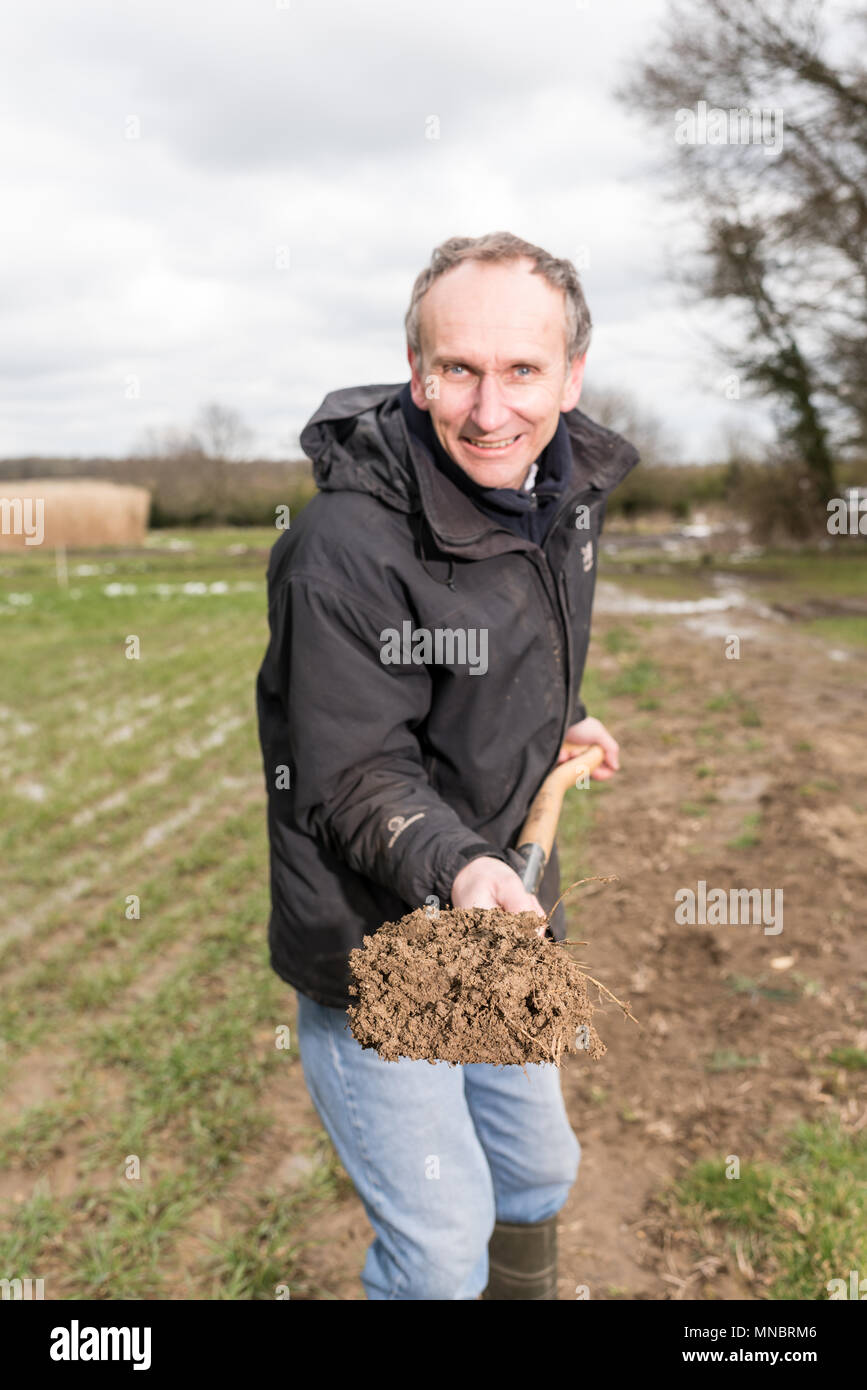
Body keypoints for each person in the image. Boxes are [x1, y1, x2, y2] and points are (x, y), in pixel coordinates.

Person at [255, 231, 639, 1300]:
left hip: (494, 927)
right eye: (459, 369)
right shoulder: (343, 546)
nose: (489, 409)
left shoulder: (564, 493)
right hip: (384, 941)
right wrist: (465, 870)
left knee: (534, 1172)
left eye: (522, 369)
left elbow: (497, 653)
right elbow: (351, 771)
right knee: (438, 1249)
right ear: (417, 371)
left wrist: (555, 723)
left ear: (570, 375)